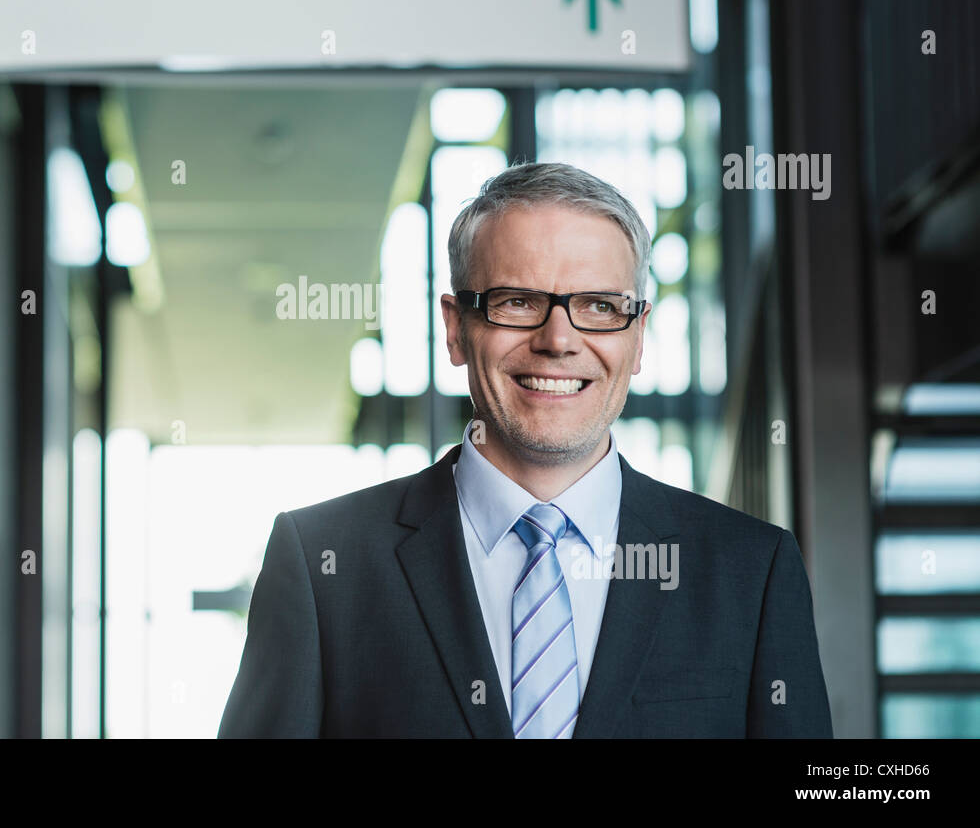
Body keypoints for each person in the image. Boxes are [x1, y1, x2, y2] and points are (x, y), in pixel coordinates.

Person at [218, 162, 833, 738]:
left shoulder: (750, 570)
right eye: (518, 301)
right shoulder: (324, 563)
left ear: (638, 337)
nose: (559, 340)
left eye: (599, 306)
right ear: (457, 328)